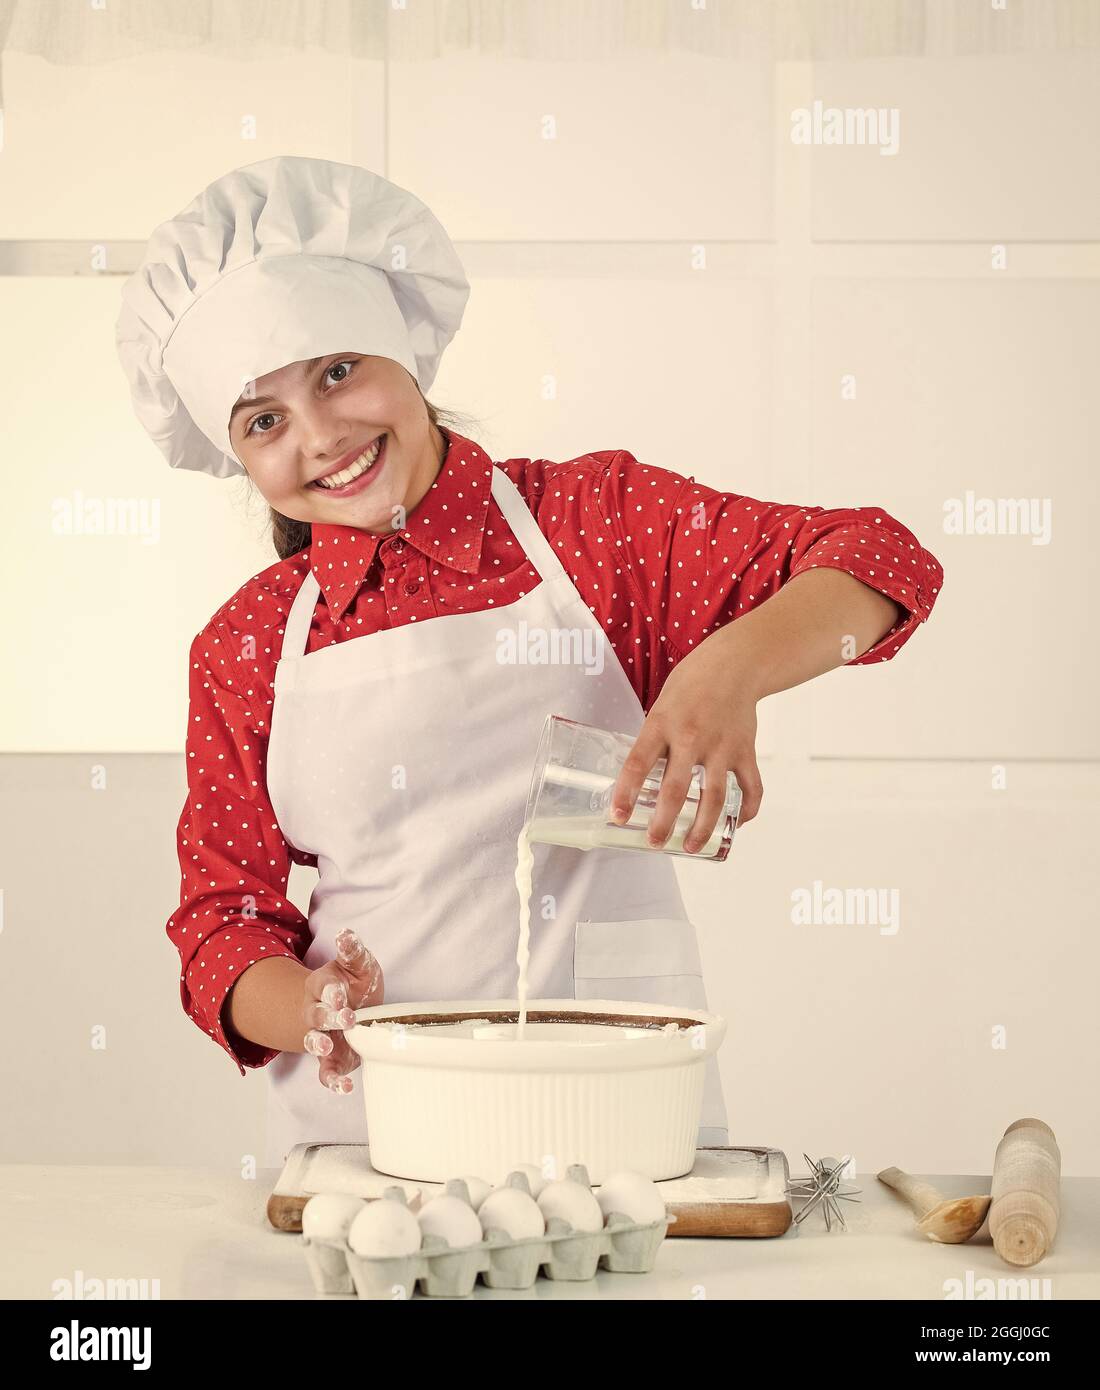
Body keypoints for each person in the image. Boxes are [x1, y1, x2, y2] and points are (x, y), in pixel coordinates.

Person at [117, 156, 943, 1167]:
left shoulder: (595, 526)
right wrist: (312, 1005)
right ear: (238, 455)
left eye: (338, 371)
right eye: (265, 420)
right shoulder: (245, 644)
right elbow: (223, 921)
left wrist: (725, 670)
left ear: (404, 353)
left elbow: (880, 559)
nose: (322, 436)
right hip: (373, 1135)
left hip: (615, 1120)